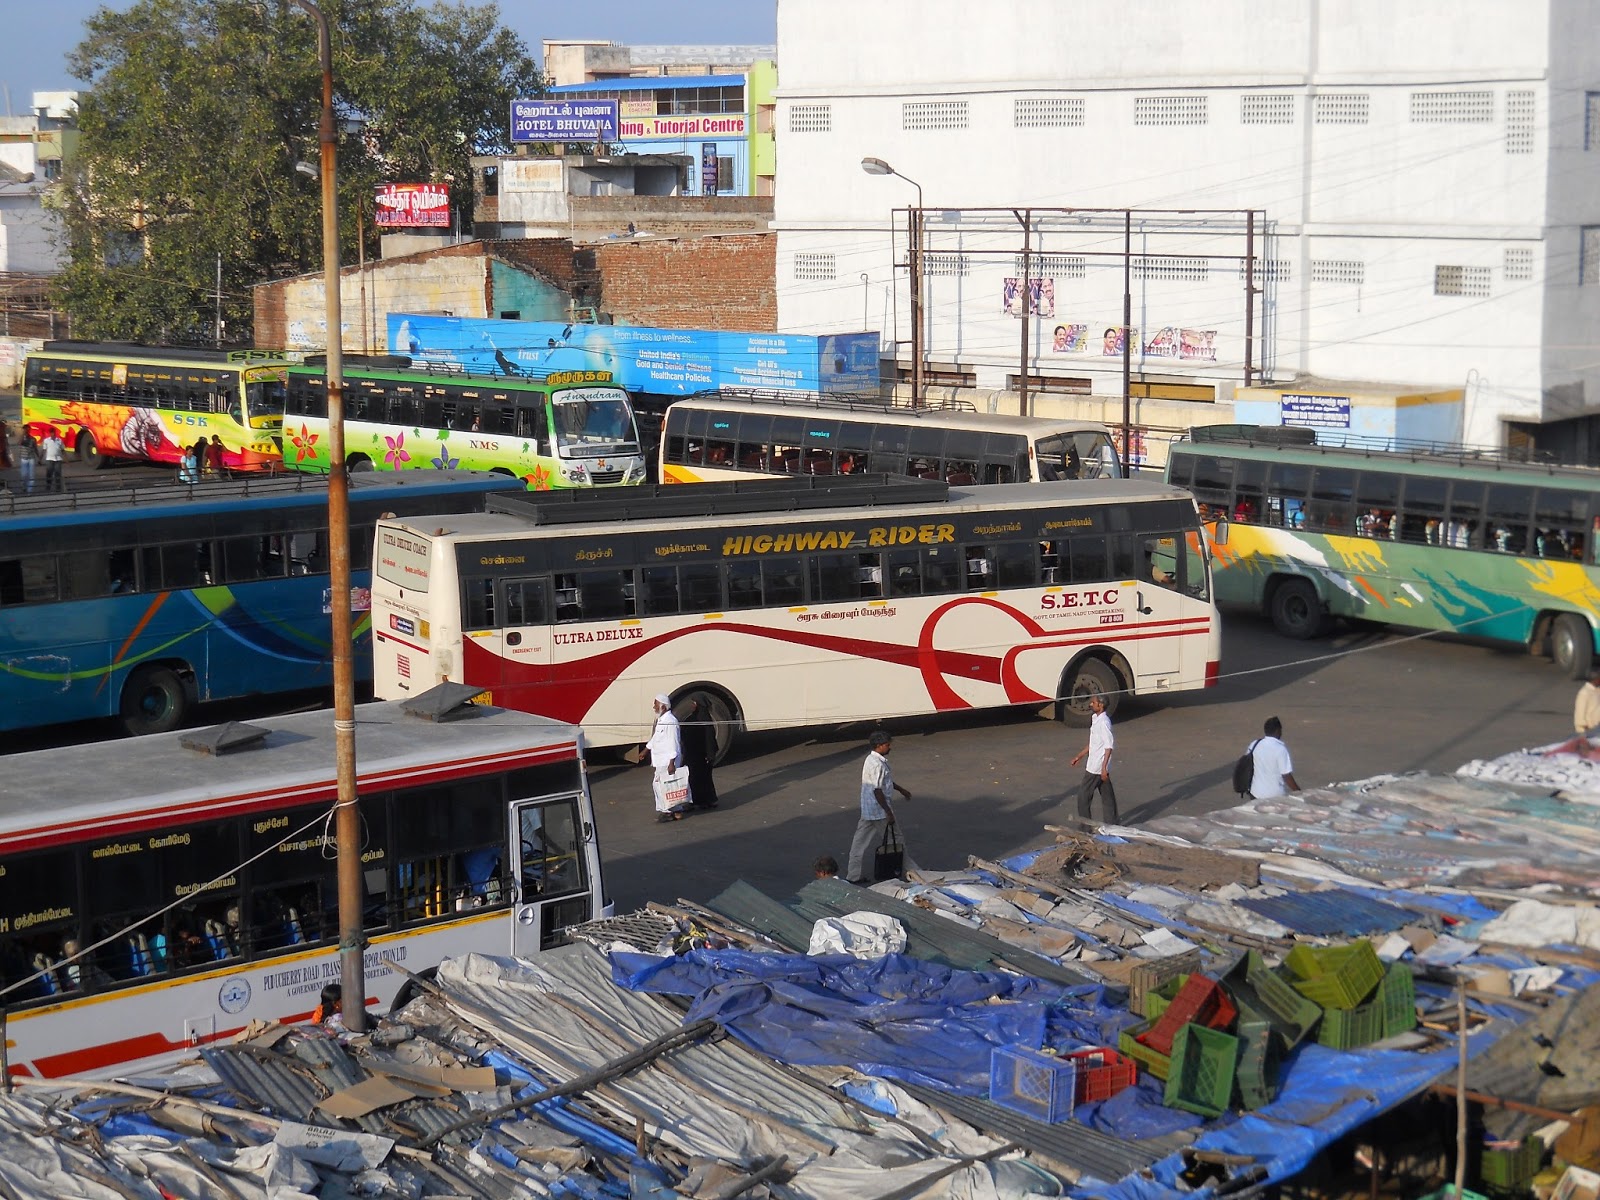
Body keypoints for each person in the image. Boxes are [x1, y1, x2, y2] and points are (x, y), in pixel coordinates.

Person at [846, 729, 919, 884]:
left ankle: (853, 876)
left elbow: (884, 782)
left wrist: (901, 790)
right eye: (887, 745)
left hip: (867, 811)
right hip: (879, 812)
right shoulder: (877, 764)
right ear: (879, 746)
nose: (889, 747)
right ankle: (914, 874)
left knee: (858, 845)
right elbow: (877, 790)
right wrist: (888, 812)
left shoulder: (870, 760)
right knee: (897, 841)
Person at [1069, 694, 1119, 824]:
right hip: (1097, 765)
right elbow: (1093, 744)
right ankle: (1112, 824)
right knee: (1108, 798)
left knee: (1083, 797)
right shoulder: (1095, 719)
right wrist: (1079, 756)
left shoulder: (1104, 723)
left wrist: (1103, 768)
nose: (1091, 704)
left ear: (1101, 705)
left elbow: (1109, 746)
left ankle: (1086, 827)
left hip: (1096, 767)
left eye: (1093, 702)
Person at [645, 692, 690, 822]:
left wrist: (671, 762)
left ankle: (666, 811)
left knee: (659, 784)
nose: (654, 707)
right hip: (662, 760)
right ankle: (677, 811)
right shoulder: (662, 720)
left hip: (667, 760)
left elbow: (673, 742)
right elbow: (656, 738)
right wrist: (646, 750)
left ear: (663, 707)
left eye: (656, 704)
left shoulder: (670, 722)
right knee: (670, 786)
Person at [678, 696, 720, 810]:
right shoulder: (705, 718)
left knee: (696, 778)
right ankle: (708, 800)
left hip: (697, 755)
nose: (692, 705)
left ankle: (699, 801)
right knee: (704, 778)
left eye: (694, 703)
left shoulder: (697, 719)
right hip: (702, 755)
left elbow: (708, 738)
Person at [1248, 716, 1300, 799]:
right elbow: (1286, 776)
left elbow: (1248, 765)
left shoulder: (1254, 744)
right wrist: (1299, 792)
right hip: (1274, 796)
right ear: (1278, 731)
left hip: (1255, 792)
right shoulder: (1280, 749)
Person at [1575, 667, 1600, 740]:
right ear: (1597, 679)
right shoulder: (1584, 693)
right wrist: (1584, 736)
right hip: (1590, 733)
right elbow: (1580, 717)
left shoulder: (1598, 690)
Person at [40, 428, 65, 493]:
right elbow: (44, 450)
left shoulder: (59, 440)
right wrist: (40, 459)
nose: (52, 434)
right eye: (51, 433)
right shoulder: (46, 441)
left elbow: (63, 450)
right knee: (49, 474)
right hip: (49, 459)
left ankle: (58, 488)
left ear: (55, 433)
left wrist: (67, 460)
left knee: (58, 474)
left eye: (53, 432)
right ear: (50, 433)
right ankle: (48, 488)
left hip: (58, 459)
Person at [18, 428, 37, 494]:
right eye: (25, 430)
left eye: (27, 430)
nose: (26, 431)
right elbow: (19, 443)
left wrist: (39, 457)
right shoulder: (22, 438)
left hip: (31, 458)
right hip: (24, 458)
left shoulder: (33, 439)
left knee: (31, 475)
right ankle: (23, 487)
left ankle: (29, 491)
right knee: (24, 475)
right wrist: (23, 434)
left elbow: (35, 448)